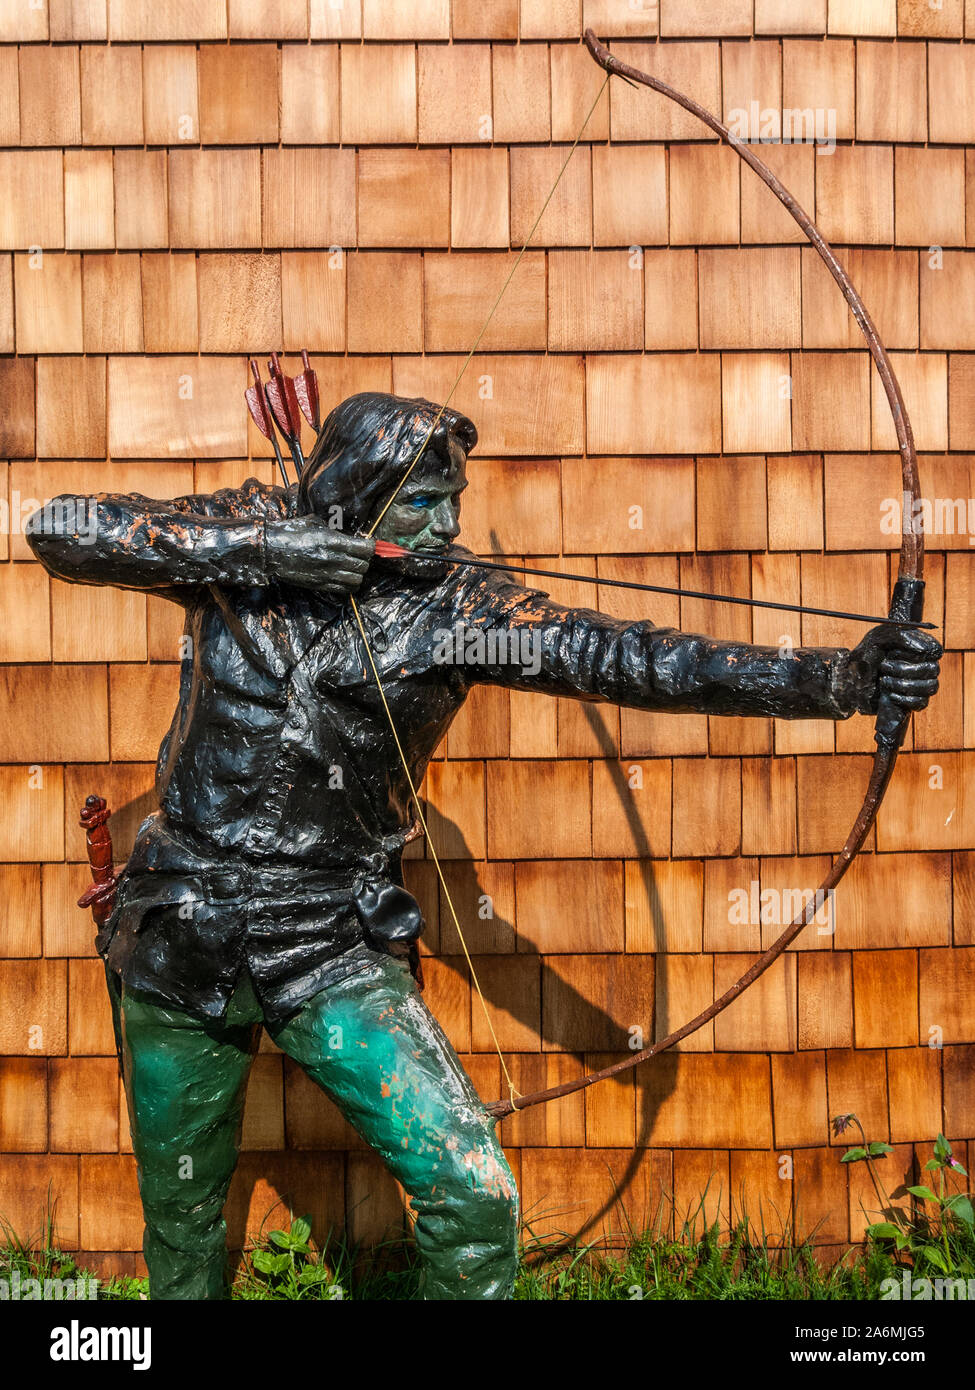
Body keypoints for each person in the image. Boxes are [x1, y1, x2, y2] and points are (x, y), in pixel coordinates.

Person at [26, 392, 942, 1300]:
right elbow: (61, 529)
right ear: (353, 490)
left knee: (471, 1192)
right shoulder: (249, 530)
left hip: (329, 942)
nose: (447, 523)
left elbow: (630, 659)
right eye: (422, 502)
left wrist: (839, 680)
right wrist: (266, 551)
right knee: (179, 1221)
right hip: (181, 928)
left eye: (454, 499)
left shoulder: (461, 606)